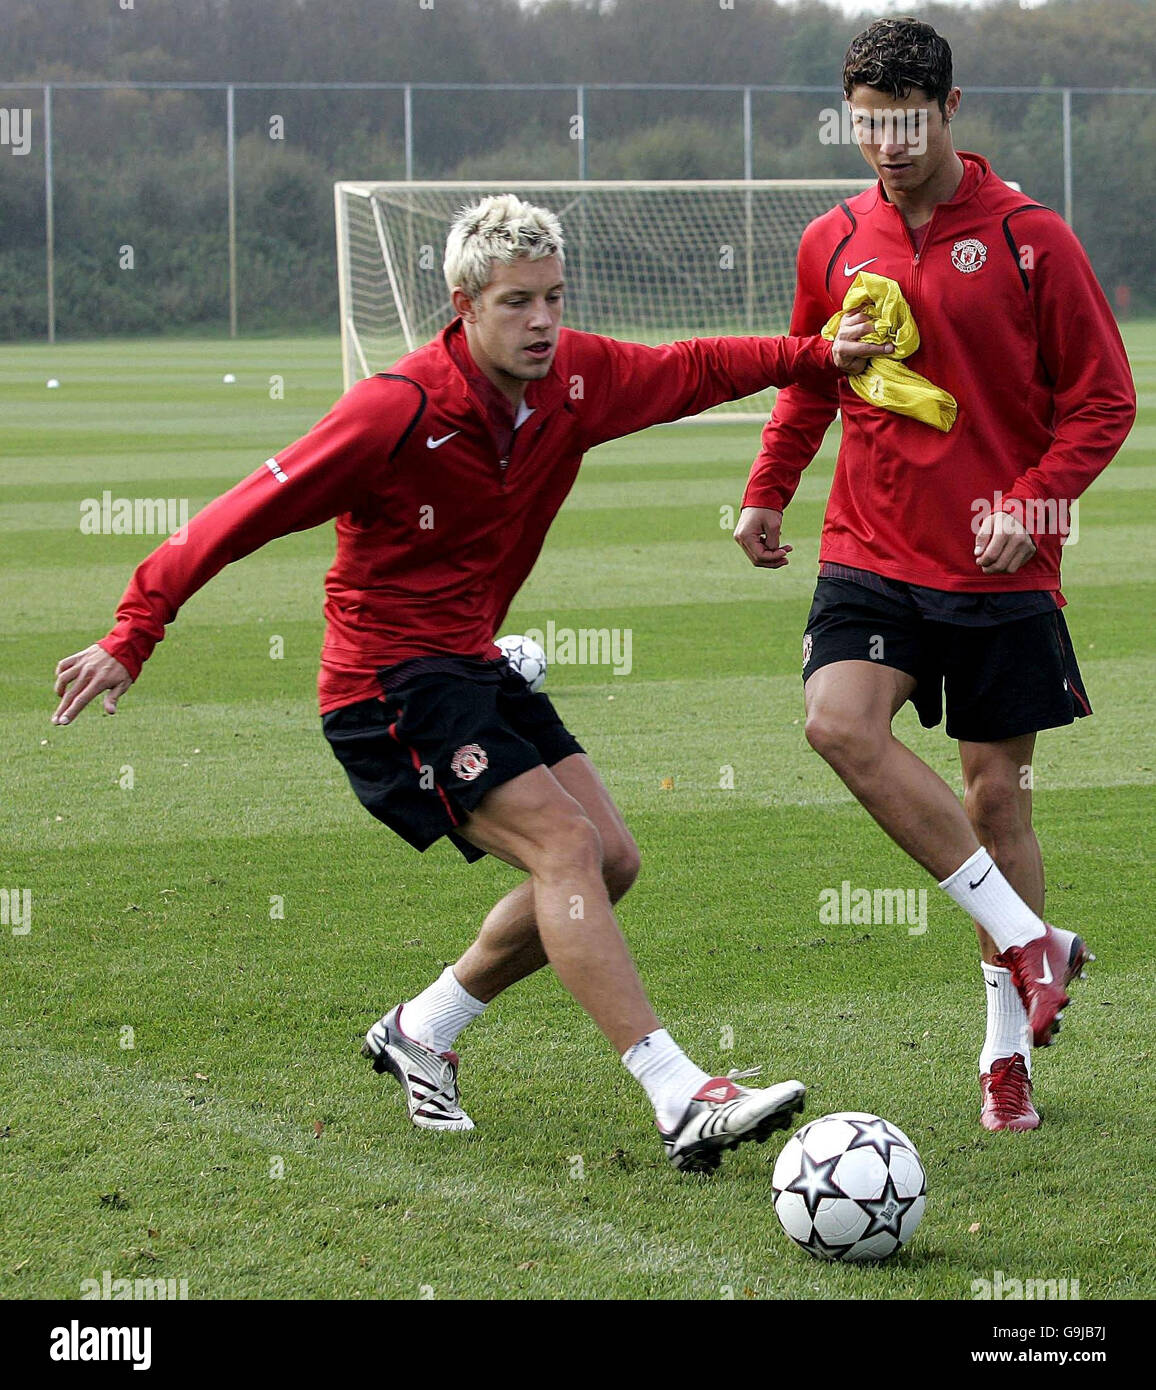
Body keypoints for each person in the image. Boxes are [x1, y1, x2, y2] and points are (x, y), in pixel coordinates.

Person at [53, 193, 886, 1172]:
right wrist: (133, 630)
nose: (541, 321)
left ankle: (422, 1027)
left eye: (553, 299)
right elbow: (241, 514)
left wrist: (815, 355)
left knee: (609, 860)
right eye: (516, 303)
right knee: (565, 845)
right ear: (463, 305)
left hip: (470, 665)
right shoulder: (393, 410)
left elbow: (690, 369)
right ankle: (678, 1093)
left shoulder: (576, 377)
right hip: (383, 687)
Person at [734, 18, 1136, 1131]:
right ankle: (1027, 939)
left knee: (994, 795)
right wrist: (769, 486)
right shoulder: (831, 239)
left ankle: (1005, 1052)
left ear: (950, 110)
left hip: (1002, 570)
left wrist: (1034, 501)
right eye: (867, 122)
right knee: (836, 726)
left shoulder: (1028, 239)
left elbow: (1104, 399)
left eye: (906, 120)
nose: (887, 143)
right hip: (870, 548)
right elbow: (813, 379)